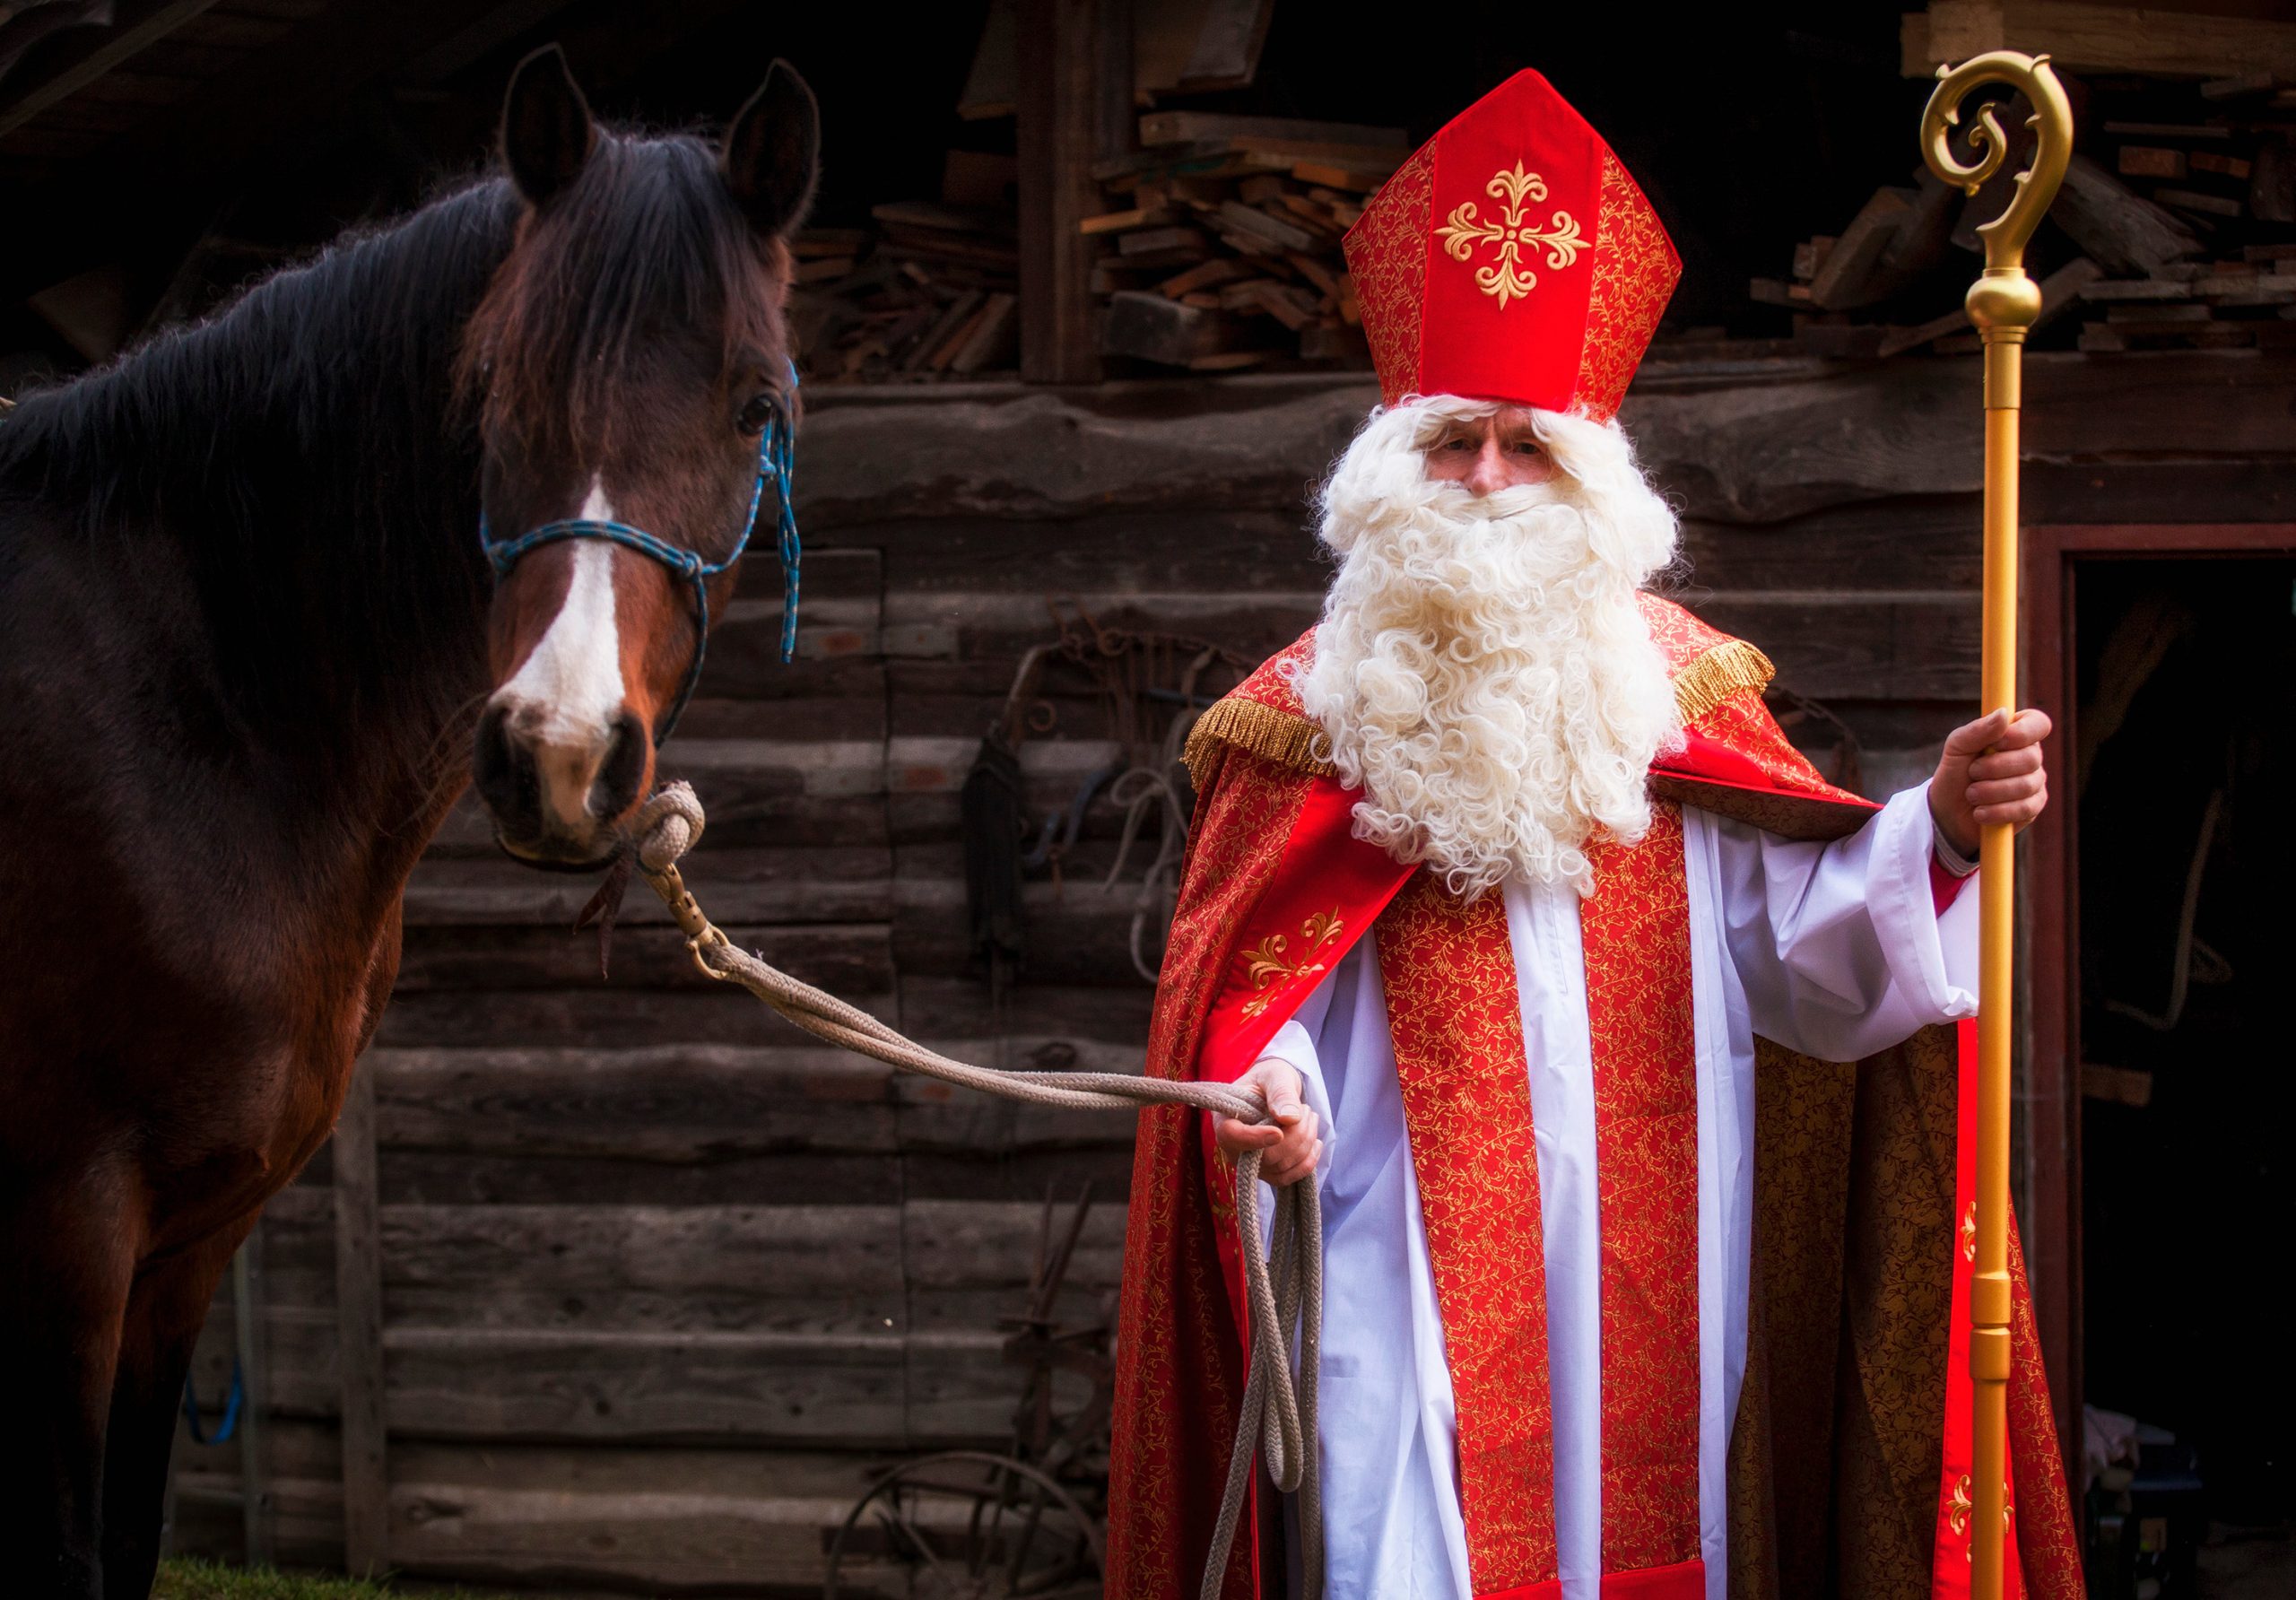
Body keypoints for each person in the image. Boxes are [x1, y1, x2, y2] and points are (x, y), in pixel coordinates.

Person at [1104, 70, 2083, 1600]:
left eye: (1527, 445)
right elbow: (1261, 1016)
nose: (1489, 483)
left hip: (1666, 1318)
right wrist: (1267, 1111)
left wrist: (1941, 832)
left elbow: (1806, 965)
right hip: (1398, 1300)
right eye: (1453, 443)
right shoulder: (1306, 723)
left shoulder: (1673, 696)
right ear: (1386, 469)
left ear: (1594, 478)